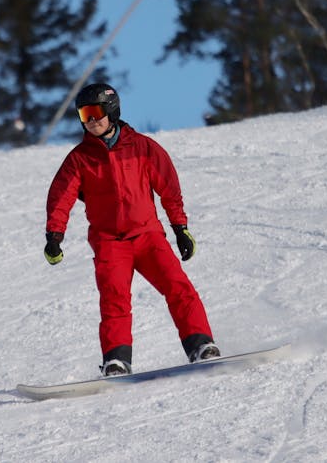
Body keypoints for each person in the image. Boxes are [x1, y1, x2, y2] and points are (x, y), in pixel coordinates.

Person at [44, 82, 220, 377]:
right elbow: (60, 197)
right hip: (110, 242)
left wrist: (180, 228)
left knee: (178, 287)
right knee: (114, 299)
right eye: (83, 115)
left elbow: (169, 189)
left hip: (148, 236)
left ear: (111, 110)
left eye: (94, 112)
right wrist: (54, 236)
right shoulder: (80, 159)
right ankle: (116, 360)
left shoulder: (143, 148)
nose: (90, 121)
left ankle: (201, 344)